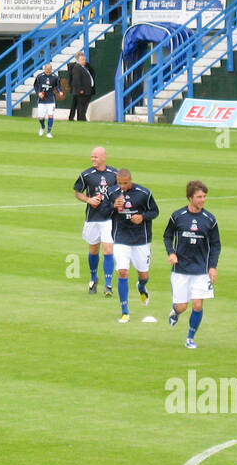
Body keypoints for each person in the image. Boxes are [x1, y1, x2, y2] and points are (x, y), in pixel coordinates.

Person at [163, 180, 220, 350]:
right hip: (181, 270)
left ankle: (190, 337)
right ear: (190, 197)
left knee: (197, 305)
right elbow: (167, 236)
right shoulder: (178, 216)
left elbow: (216, 245)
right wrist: (171, 253)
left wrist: (212, 266)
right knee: (182, 306)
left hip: (201, 270)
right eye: (199, 197)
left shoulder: (210, 219)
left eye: (204, 197)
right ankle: (176, 312)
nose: (202, 200)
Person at [108, 168, 160, 323]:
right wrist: (112, 206)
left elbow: (155, 212)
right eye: (119, 183)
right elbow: (102, 211)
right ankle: (125, 311)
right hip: (121, 238)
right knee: (122, 272)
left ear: (131, 180)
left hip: (141, 239)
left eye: (125, 183)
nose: (122, 186)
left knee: (143, 275)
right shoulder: (111, 193)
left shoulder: (144, 193)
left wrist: (142, 217)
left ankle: (142, 287)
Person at [74, 146, 117, 297]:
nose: (93, 159)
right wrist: (88, 199)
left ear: (104, 157)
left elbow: (122, 192)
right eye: (92, 157)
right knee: (93, 250)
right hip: (92, 218)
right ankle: (93, 279)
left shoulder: (115, 174)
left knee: (108, 250)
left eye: (95, 157)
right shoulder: (86, 175)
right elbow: (77, 192)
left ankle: (108, 284)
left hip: (109, 218)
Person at [32, 62, 61, 137]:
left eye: (49, 71)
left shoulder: (55, 77)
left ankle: (49, 132)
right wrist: (38, 93)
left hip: (51, 99)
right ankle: (42, 126)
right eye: (46, 71)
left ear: (51, 70)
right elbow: (35, 86)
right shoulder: (39, 77)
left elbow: (58, 86)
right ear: (44, 69)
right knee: (41, 117)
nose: (48, 73)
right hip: (42, 100)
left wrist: (60, 91)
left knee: (50, 115)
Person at [67, 51, 94, 122]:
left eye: (85, 59)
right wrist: (80, 89)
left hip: (87, 89)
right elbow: (76, 80)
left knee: (81, 105)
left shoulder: (85, 67)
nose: (84, 61)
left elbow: (92, 72)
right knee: (81, 106)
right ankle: (81, 119)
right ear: (78, 60)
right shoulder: (77, 68)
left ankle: (79, 118)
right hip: (82, 90)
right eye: (82, 60)